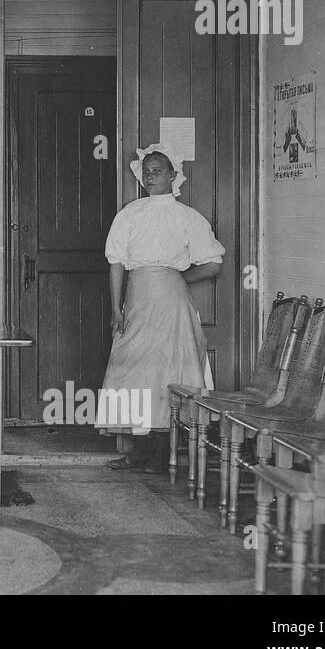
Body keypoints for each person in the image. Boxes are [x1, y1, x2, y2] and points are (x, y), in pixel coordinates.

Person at [97, 144, 224, 472]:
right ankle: (138, 451)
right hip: (137, 299)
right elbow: (116, 265)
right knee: (135, 370)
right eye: (147, 171)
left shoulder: (187, 217)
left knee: (168, 372)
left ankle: (160, 455)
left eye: (158, 171)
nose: (151, 176)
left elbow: (212, 264)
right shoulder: (130, 214)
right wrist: (116, 310)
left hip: (172, 304)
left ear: (173, 176)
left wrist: (177, 277)